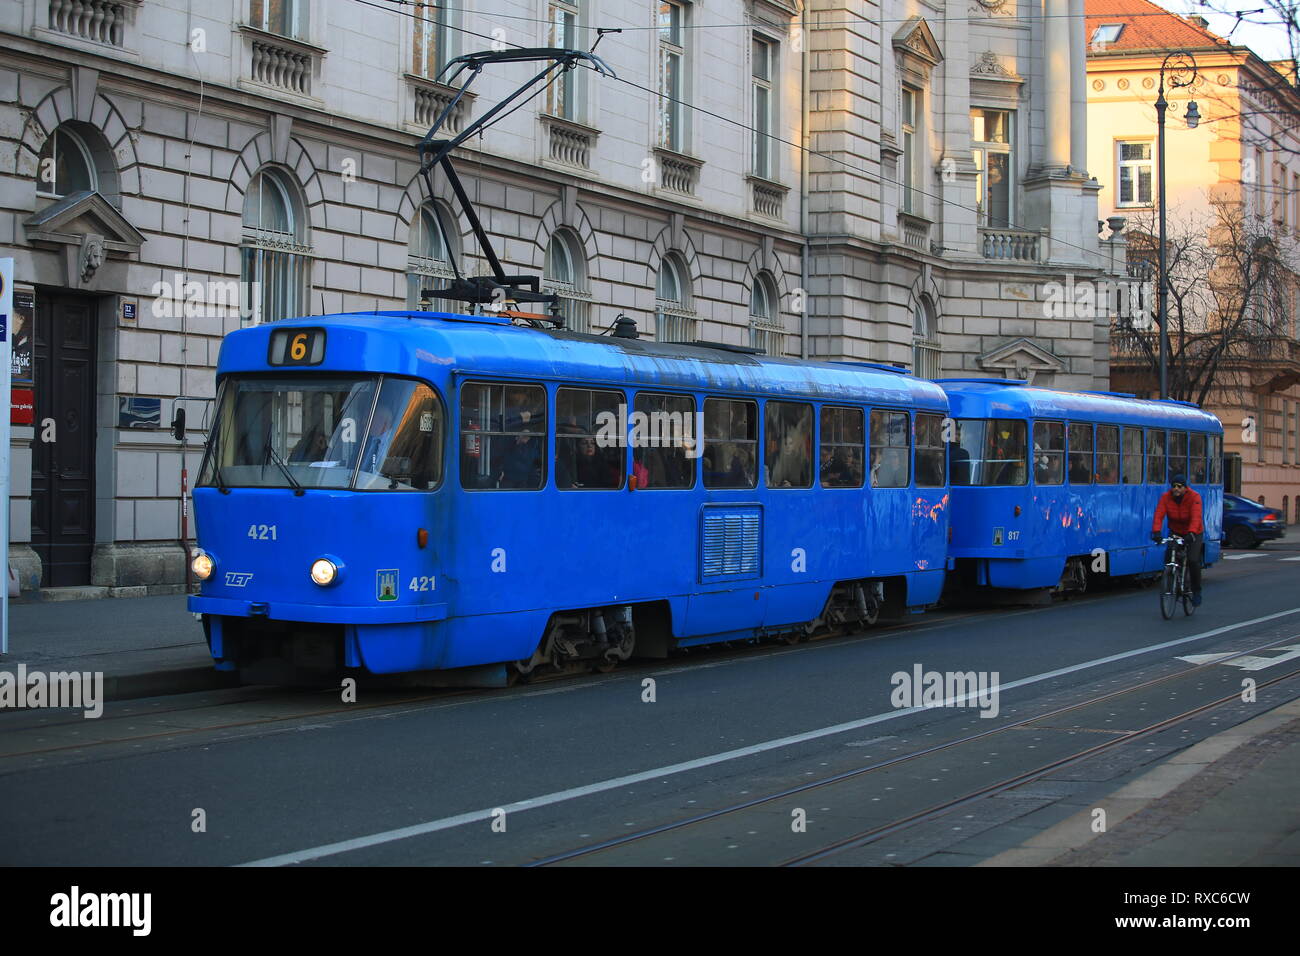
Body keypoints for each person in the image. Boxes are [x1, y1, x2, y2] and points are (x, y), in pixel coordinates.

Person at [1151, 472, 1204, 606]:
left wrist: (1191, 533)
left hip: (1194, 532)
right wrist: (1156, 532)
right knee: (1169, 555)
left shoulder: (1194, 497)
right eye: (1174, 486)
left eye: (1179, 486)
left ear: (1185, 488)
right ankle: (1170, 583)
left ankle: (1196, 590)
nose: (1176, 489)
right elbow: (1159, 514)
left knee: (1192, 560)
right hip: (1175, 531)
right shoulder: (1166, 497)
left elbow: (1196, 517)